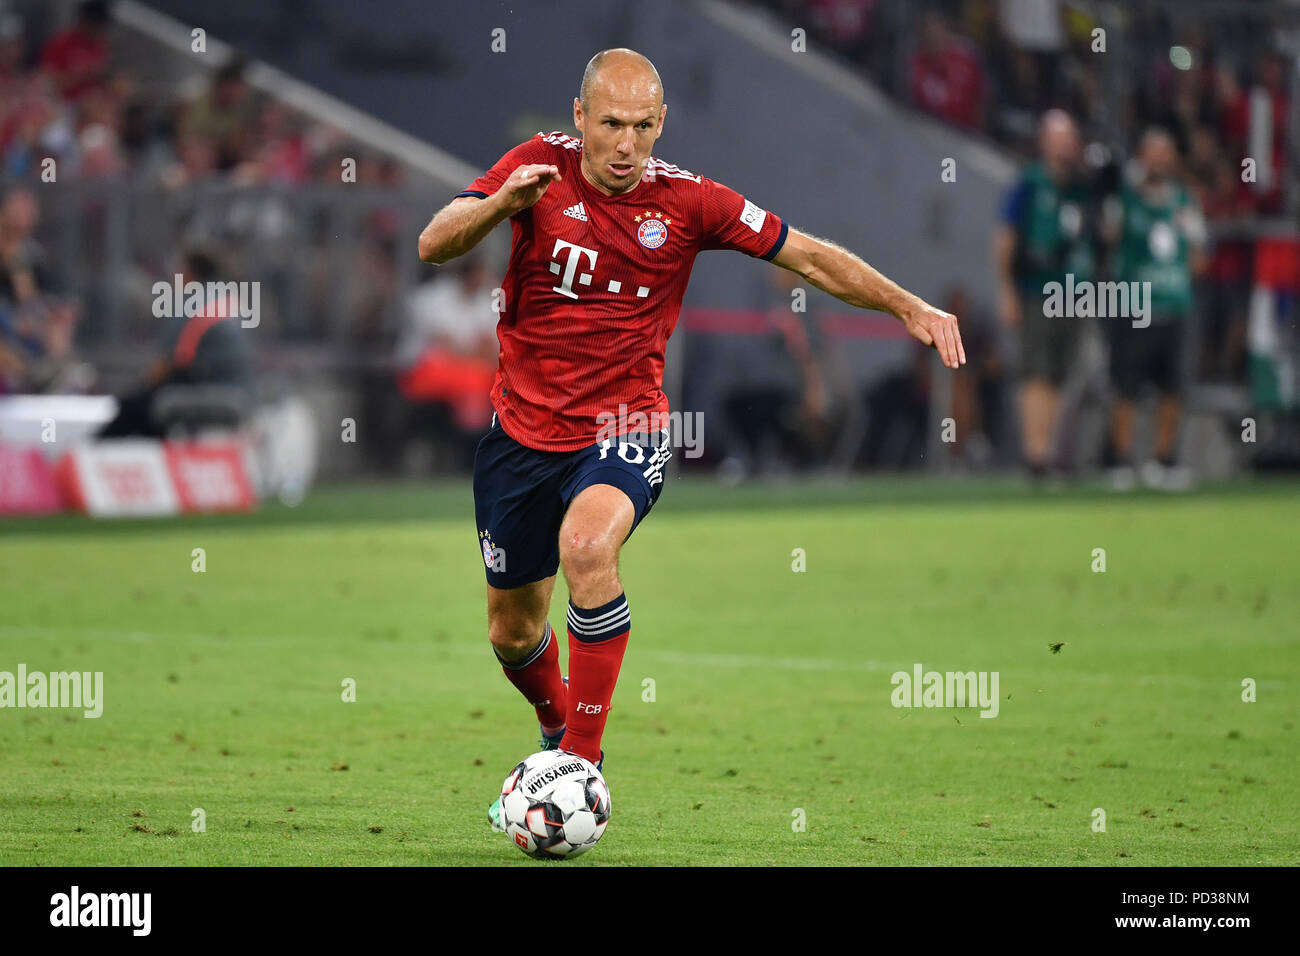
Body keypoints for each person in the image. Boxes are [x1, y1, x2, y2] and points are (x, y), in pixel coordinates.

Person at [415, 49, 964, 833]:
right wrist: (499, 203)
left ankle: (583, 763)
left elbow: (806, 254)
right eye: (610, 124)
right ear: (580, 119)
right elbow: (435, 243)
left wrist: (907, 306)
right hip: (522, 437)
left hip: (625, 425)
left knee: (588, 550)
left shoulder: (691, 202)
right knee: (512, 629)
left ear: (660, 124)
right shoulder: (537, 167)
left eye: (641, 126)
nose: (625, 143)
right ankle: (556, 732)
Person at [994, 109, 1096, 477]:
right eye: (1058, 136)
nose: (1065, 144)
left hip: (1074, 292)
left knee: (1062, 374)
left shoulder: (1082, 185)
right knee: (1036, 371)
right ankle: (1035, 454)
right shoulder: (1030, 183)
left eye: (1069, 136)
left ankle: (1052, 452)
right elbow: (1006, 239)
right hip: (1037, 290)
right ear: (1044, 141)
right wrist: (1006, 290)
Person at [1105, 128, 1205, 490]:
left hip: (1174, 306)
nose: (1159, 160)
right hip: (1135, 307)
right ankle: (1121, 460)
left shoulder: (1184, 201)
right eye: (1153, 152)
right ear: (1141, 157)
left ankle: (1163, 460)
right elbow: (1108, 237)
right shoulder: (1126, 200)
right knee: (1126, 387)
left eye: (1165, 152)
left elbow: (1199, 256)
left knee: (1172, 388)